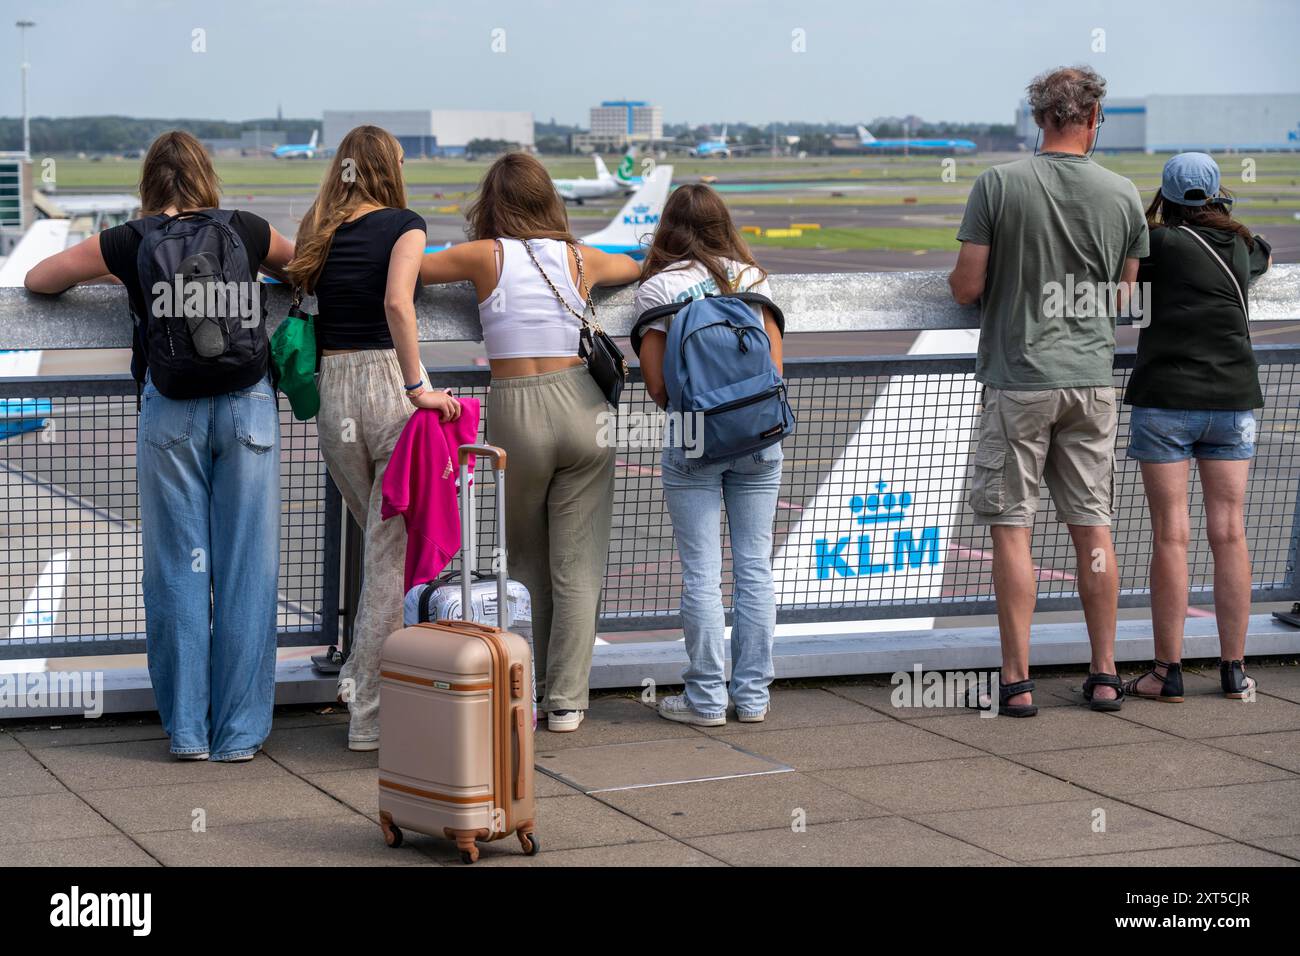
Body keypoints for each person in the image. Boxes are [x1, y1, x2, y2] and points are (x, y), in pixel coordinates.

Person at [25, 130, 295, 761]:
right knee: (246, 572)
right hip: (247, 406)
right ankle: (240, 735)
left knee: (179, 569)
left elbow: (41, 279)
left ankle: (188, 733)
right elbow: (304, 265)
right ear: (207, 177)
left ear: (150, 184)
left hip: (169, 410)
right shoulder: (246, 229)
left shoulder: (130, 239)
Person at [948, 66, 1149, 716]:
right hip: (1090, 379)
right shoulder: (1122, 194)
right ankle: (1105, 672)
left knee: (1013, 530)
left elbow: (966, 287)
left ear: (1038, 119)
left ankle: (1017, 680)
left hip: (1019, 379)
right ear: (1094, 119)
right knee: (1093, 531)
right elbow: (1123, 297)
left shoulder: (999, 184)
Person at [419, 152, 640, 732]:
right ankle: (568, 701)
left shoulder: (484, 254)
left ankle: (535, 689)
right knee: (579, 563)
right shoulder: (578, 256)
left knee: (524, 559)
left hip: (517, 404)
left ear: (492, 204)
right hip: (584, 405)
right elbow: (632, 265)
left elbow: (412, 267)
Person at [287, 125, 461, 751]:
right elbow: (397, 303)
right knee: (390, 549)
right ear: (390, 167)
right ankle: (368, 711)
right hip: (387, 383)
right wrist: (418, 387)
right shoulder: (405, 224)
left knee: (380, 542)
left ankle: (368, 691)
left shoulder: (318, 226)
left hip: (333, 387)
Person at [634, 184, 785, 726]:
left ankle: (704, 700)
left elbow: (657, 388)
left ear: (668, 228)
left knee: (701, 573)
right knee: (754, 568)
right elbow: (776, 369)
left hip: (694, 435)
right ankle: (753, 697)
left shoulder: (657, 290)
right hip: (759, 437)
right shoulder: (753, 279)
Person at [1123, 153, 1271, 703]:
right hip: (1232, 401)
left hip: (1166, 399)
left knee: (1171, 535)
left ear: (1165, 196)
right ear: (1216, 195)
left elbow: (1126, 280)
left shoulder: (1158, 244)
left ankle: (1168, 671)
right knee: (1229, 532)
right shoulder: (1241, 245)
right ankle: (1234, 670)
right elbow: (1261, 254)